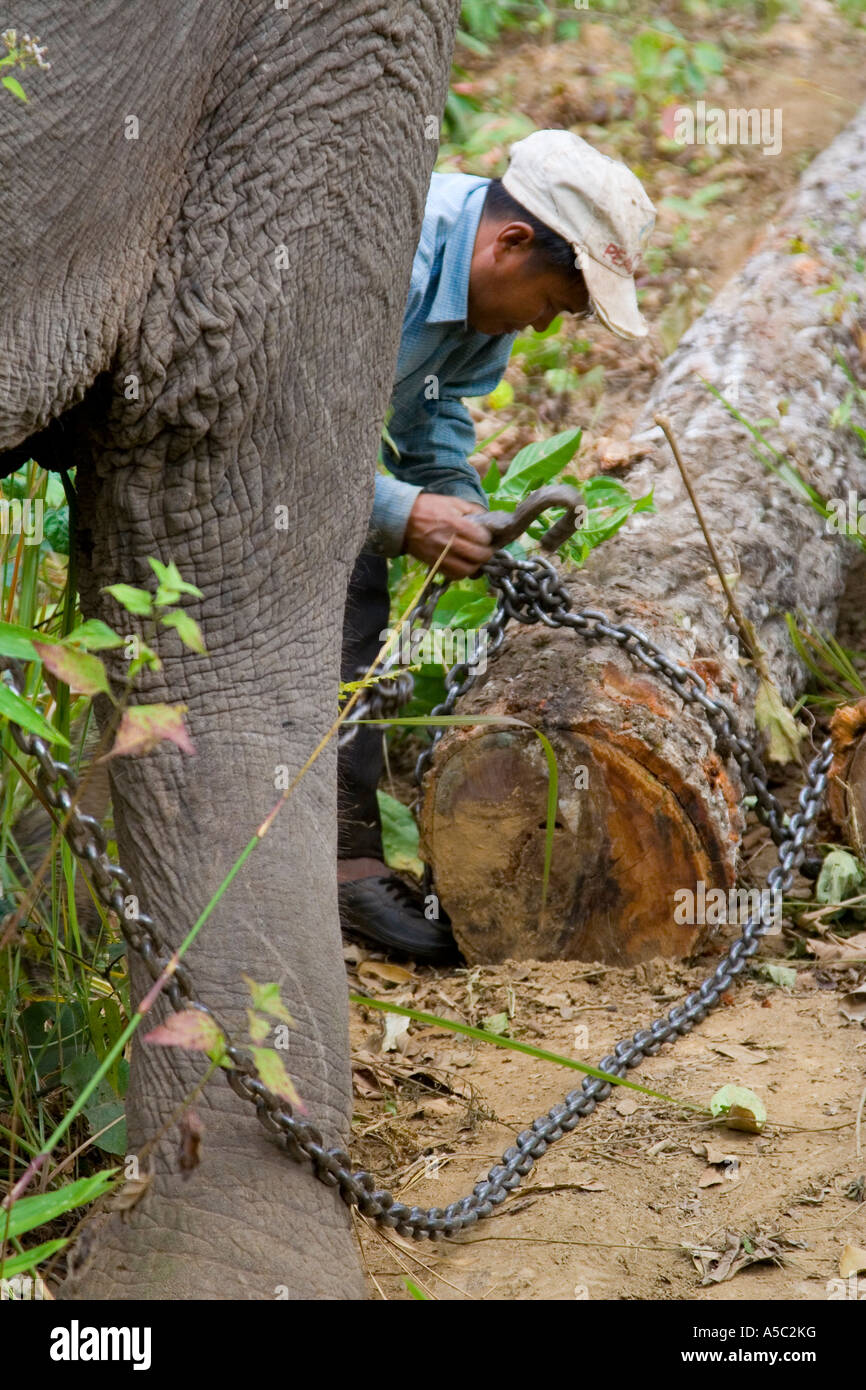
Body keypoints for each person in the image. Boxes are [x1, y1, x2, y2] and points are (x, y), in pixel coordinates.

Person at [338, 129, 656, 962]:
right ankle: (341, 863)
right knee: (352, 570)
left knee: (356, 578)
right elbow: (269, 425)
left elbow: (430, 422)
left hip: (303, 464)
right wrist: (402, 516)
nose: (546, 328)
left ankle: (338, 856)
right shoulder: (380, 258)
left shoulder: (482, 298)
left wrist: (459, 509)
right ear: (512, 244)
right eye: (555, 304)